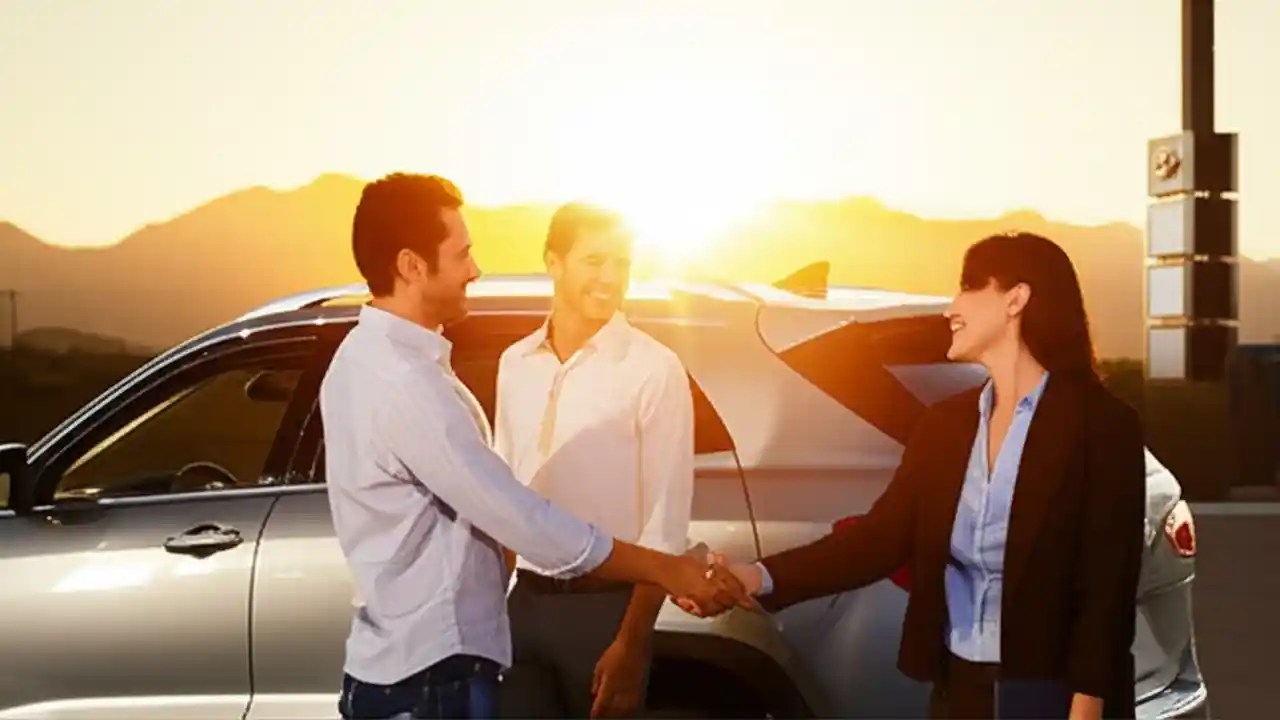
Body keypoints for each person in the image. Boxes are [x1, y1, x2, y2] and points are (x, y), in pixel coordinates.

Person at [320, 174, 750, 720]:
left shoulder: (372, 360)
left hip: (541, 623)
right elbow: (514, 512)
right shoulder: (413, 380)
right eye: (462, 253)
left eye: (622, 260)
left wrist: (640, 622)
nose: (475, 269)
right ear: (411, 265)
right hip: (438, 667)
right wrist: (670, 570)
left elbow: (510, 508)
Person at [694, 232, 1147, 719]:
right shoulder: (946, 425)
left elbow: (1107, 583)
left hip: (1050, 693)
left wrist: (1087, 704)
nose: (952, 306)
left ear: (1017, 299)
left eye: (970, 287)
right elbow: (881, 538)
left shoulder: (1102, 426)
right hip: (959, 685)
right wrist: (757, 577)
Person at [493, 203, 695, 718]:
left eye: (622, 263)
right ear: (553, 262)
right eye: (594, 261)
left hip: (606, 613)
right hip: (523, 606)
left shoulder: (654, 369)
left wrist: (632, 643)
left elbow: (665, 527)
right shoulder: (514, 364)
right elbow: (504, 496)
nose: (611, 278)